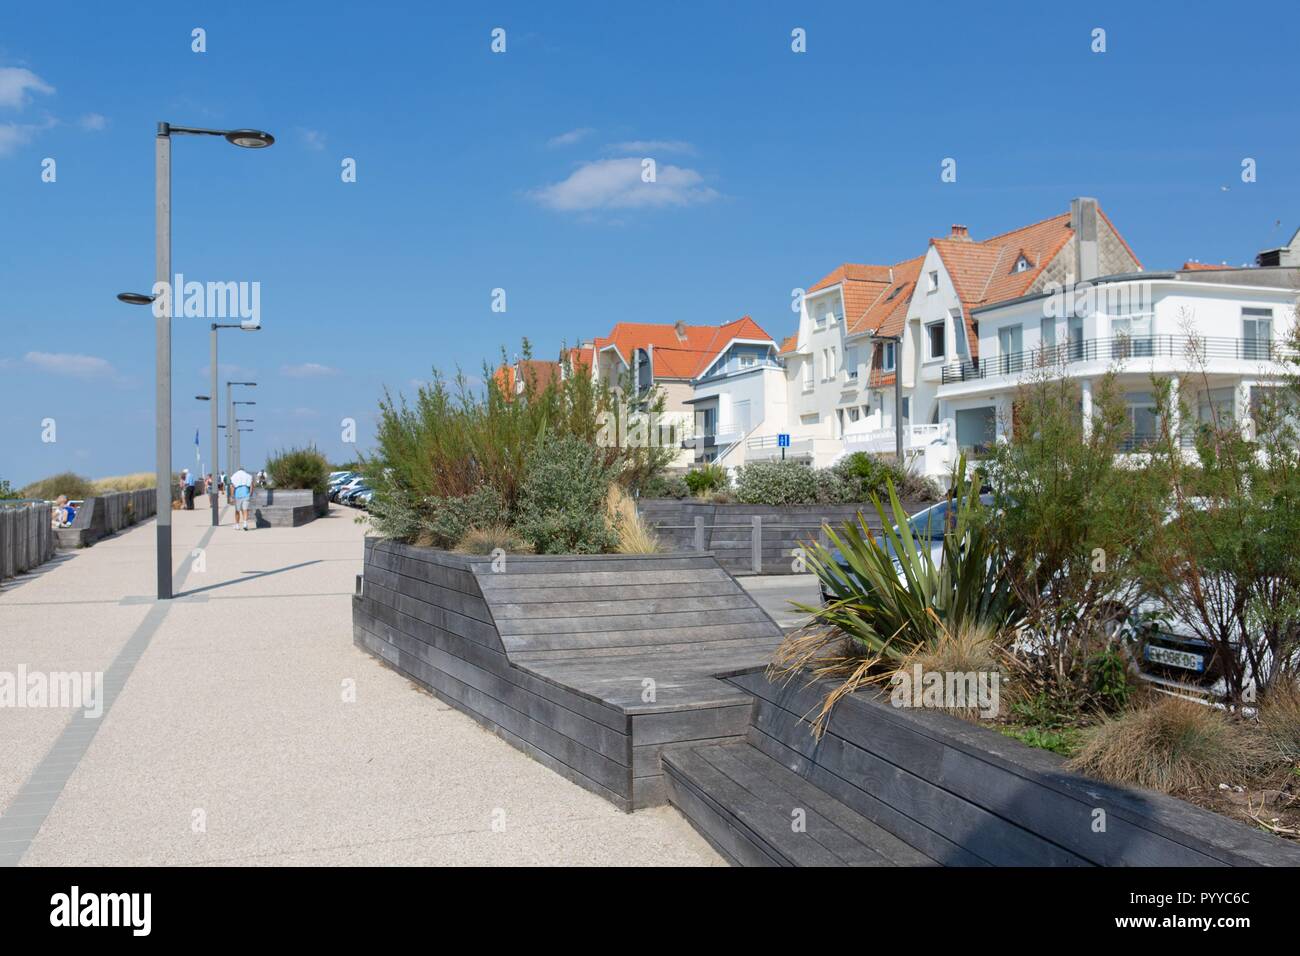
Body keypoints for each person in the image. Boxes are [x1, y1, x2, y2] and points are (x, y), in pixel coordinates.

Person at [230, 466, 254, 530]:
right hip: (246, 494)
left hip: (237, 495)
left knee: (237, 510)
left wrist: (232, 496)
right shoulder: (248, 476)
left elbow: (232, 487)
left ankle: (237, 525)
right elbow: (251, 485)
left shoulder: (234, 475)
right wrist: (250, 493)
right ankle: (245, 524)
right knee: (245, 510)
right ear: (243, 470)